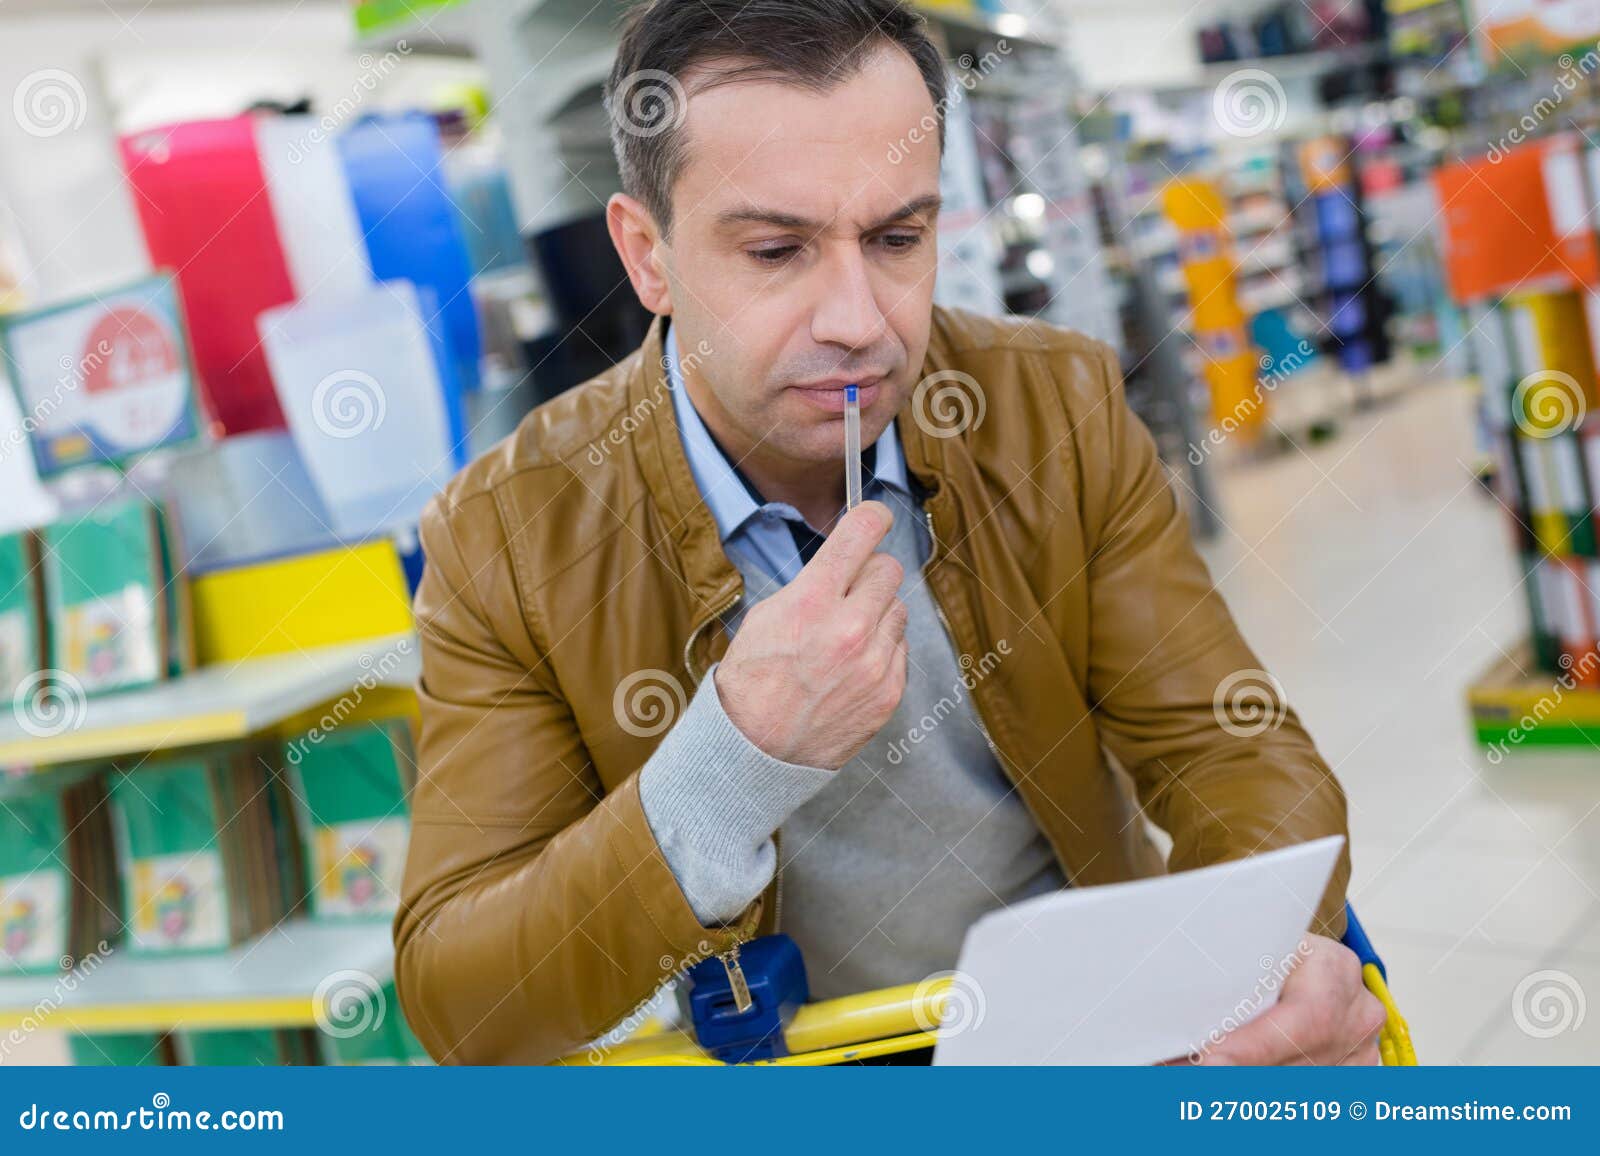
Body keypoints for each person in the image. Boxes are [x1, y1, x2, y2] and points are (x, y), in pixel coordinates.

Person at [393, 0, 1383, 1066]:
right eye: (776, 250)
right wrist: (729, 764)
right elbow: (466, 1003)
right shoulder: (509, 533)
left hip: (1101, 1038)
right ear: (648, 256)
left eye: (898, 236)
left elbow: (1226, 745)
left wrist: (1251, 961)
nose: (858, 319)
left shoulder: (1054, 405)